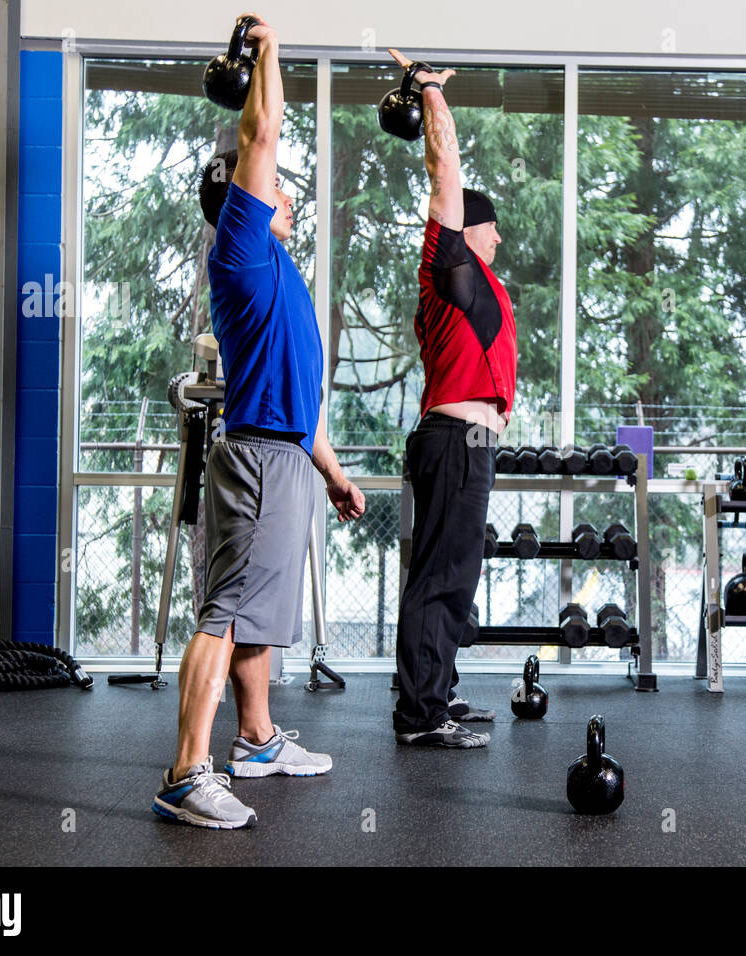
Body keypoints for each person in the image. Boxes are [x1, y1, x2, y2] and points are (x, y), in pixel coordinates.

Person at [152, 14, 366, 829]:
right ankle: (185, 772)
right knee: (226, 611)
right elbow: (263, 125)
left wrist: (335, 475)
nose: (283, 189)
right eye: (270, 181)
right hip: (255, 463)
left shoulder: (278, 268)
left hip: (283, 454)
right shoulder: (239, 244)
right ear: (242, 194)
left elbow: (298, 402)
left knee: (256, 613)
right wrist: (270, 49)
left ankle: (259, 739)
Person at [388, 49, 518, 748]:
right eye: (489, 223)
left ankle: (434, 692)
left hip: (470, 444)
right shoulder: (452, 270)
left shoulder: (479, 287)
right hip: (454, 441)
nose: (499, 234)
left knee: (451, 576)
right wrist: (432, 94)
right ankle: (419, 715)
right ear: (464, 232)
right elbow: (445, 174)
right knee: (440, 576)